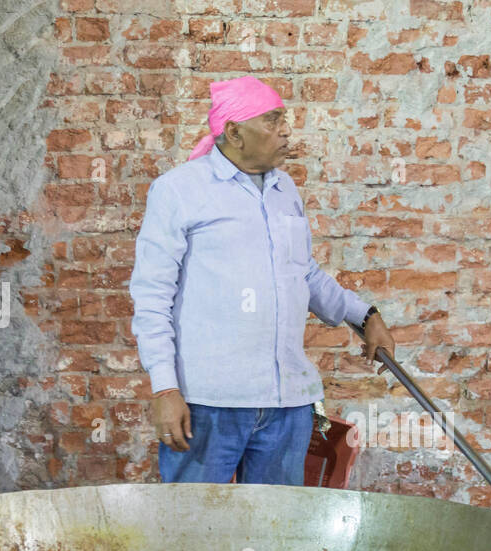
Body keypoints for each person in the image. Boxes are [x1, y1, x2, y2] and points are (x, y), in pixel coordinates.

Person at [129, 75, 395, 485]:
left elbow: (302, 271)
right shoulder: (178, 191)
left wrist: (365, 315)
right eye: (272, 121)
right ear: (234, 132)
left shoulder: (283, 188)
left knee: (275, 537)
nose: (286, 130)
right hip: (207, 403)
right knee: (193, 533)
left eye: (284, 119)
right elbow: (151, 297)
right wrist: (165, 390)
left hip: (286, 405)